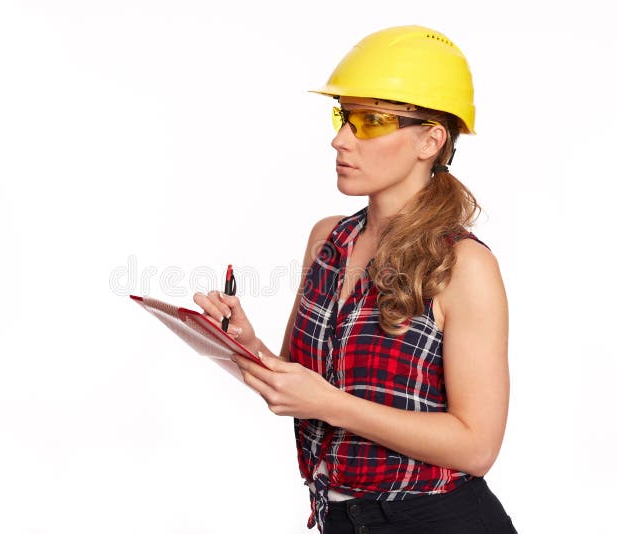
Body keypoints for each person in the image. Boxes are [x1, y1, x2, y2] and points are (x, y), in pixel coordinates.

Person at [193, 25, 516, 533]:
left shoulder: (463, 266)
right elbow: (305, 384)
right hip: (339, 520)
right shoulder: (328, 239)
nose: (339, 139)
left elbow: (477, 446)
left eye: (369, 122)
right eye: (344, 117)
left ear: (430, 139)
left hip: (436, 521)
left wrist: (332, 405)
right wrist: (246, 345)